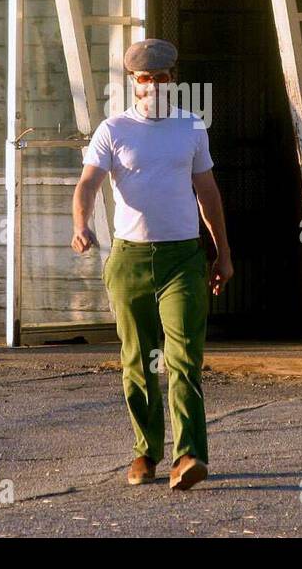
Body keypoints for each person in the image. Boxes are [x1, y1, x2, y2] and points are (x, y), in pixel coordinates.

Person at [71, 38, 232, 491]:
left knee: (183, 359)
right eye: (145, 79)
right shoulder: (114, 129)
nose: (154, 85)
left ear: (173, 79)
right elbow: (87, 183)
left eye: (162, 78)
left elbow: (208, 193)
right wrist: (81, 224)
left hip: (183, 256)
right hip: (131, 258)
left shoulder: (191, 127)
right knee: (137, 361)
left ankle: (189, 455)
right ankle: (145, 453)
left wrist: (223, 252)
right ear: (133, 82)